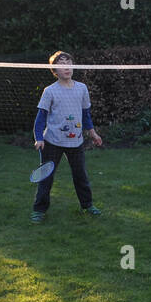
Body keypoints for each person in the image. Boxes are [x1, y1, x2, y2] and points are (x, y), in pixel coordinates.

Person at [31, 51, 103, 221]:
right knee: (46, 178)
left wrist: (92, 133)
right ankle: (39, 210)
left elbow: (86, 114)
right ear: (55, 71)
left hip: (76, 142)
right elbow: (40, 117)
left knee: (80, 176)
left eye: (68, 63)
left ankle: (87, 205)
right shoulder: (49, 91)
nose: (66, 67)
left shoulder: (82, 88)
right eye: (61, 64)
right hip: (52, 142)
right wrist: (39, 138)